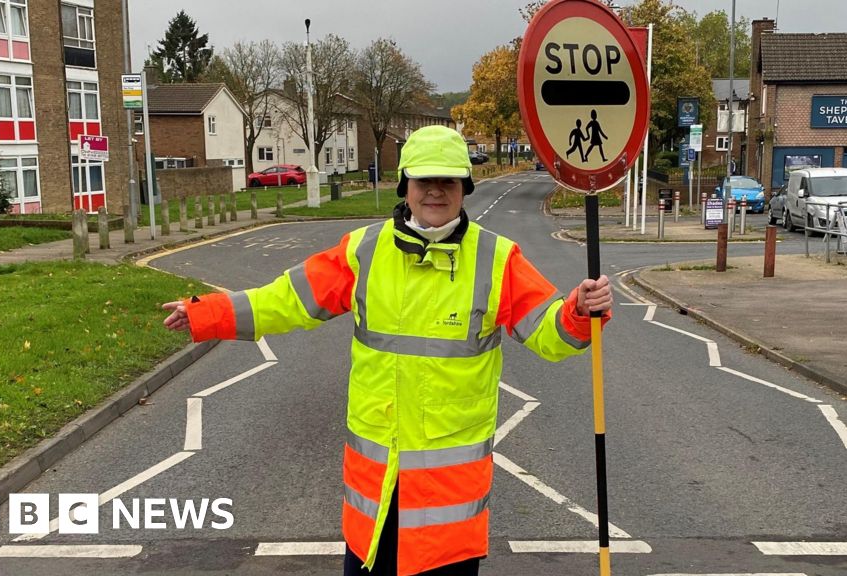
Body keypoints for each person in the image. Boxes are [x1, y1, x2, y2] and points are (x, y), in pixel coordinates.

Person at [162, 125, 613, 576]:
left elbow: (551, 335)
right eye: (424, 181)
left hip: (448, 511)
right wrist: (208, 314)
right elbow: (285, 301)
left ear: (464, 189)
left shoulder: (498, 259)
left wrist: (577, 311)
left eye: (448, 182)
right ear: (406, 186)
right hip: (375, 498)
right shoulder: (364, 251)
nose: (435, 191)